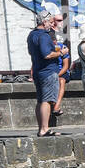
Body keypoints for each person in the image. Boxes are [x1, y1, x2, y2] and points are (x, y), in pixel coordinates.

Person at [29, 9, 67, 137]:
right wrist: (61, 53)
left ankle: (41, 128)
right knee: (47, 100)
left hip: (38, 71)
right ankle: (44, 129)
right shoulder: (44, 35)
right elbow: (47, 54)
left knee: (40, 100)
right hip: (48, 71)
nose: (52, 24)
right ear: (44, 22)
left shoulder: (32, 35)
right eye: (50, 22)